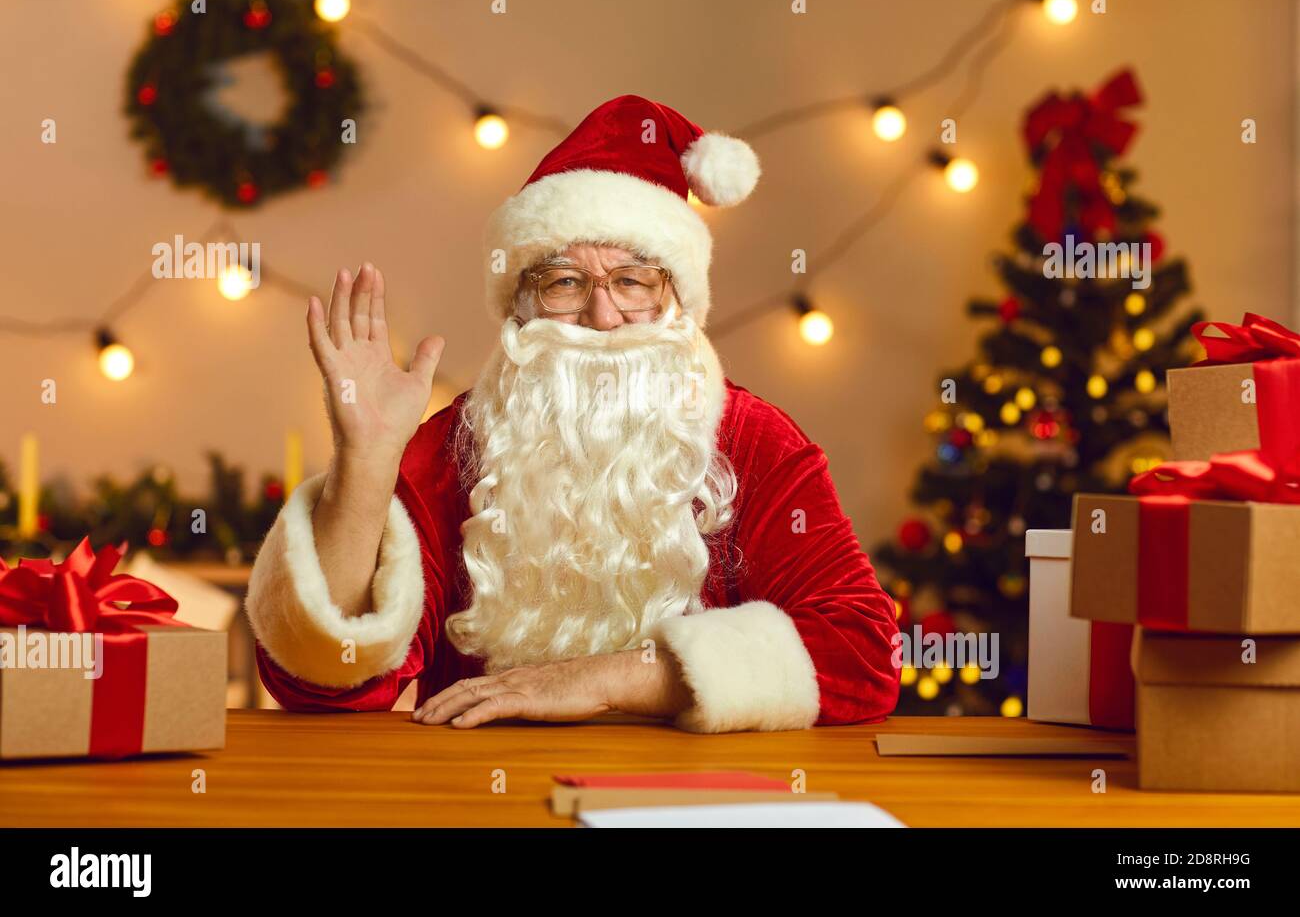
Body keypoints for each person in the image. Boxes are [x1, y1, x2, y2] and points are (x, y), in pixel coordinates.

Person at [245, 94, 899, 733]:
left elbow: (864, 653)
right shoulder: (457, 445)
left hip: (696, 800)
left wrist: (607, 679)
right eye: (565, 282)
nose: (602, 317)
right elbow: (323, 683)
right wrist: (365, 464)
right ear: (522, 303)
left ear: (677, 298)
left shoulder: (753, 441)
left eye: (633, 281)